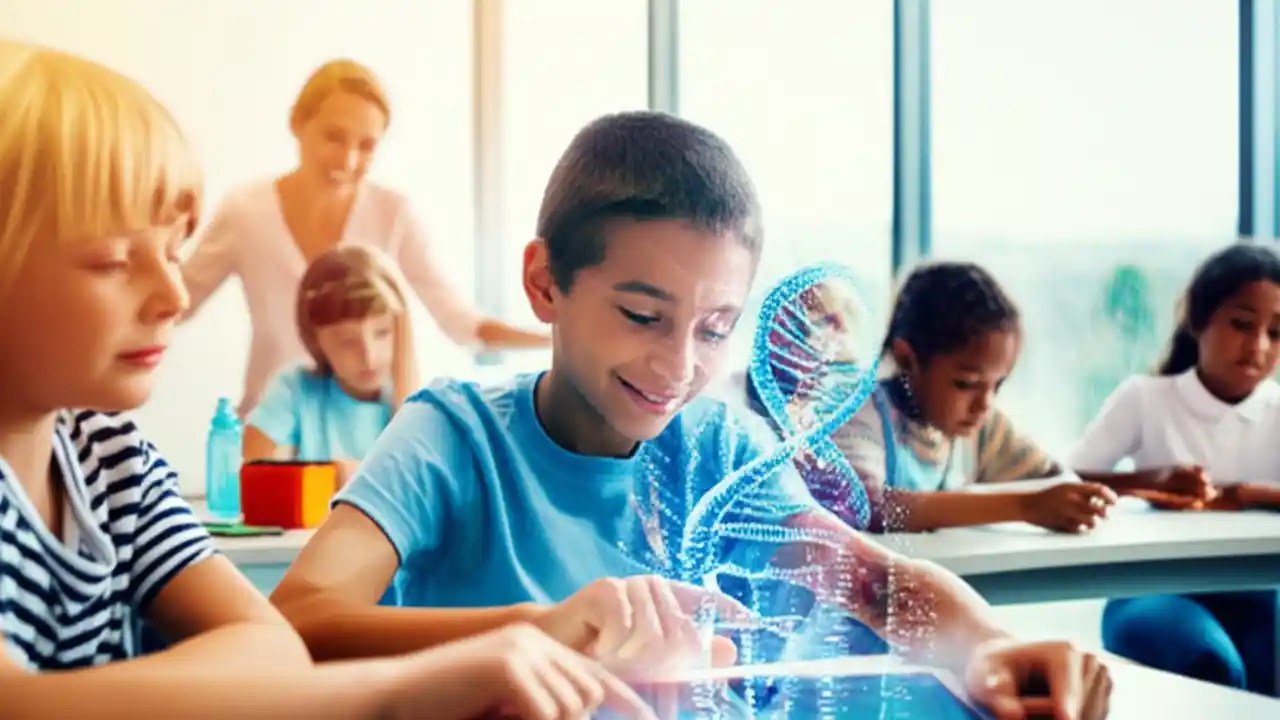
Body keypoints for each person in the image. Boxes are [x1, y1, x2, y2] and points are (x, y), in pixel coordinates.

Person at [273, 111, 1113, 719]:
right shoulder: (451, 437)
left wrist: (990, 644)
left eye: (715, 328)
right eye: (642, 316)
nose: (679, 367)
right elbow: (298, 623)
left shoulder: (718, 445)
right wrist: (542, 629)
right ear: (544, 284)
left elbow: (867, 580)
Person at [0, 39, 655, 720]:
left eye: (172, 251)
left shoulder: (114, 460)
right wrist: (402, 687)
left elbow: (273, 649)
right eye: (111, 261)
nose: (166, 293)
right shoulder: (254, 228)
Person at [181, 58, 547, 416]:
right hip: (273, 433)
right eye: (334, 137)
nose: (348, 160)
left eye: (367, 145)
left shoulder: (394, 214)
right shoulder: (246, 212)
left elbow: (464, 324)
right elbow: (176, 301)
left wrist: (556, 335)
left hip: (366, 436)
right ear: (297, 124)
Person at [1069, 243, 1280, 694]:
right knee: (1206, 660)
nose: (1259, 346)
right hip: (1154, 589)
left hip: (1264, 592)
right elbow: (1068, 480)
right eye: (1242, 324)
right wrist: (1150, 482)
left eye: (1277, 332)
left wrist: (1243, 494)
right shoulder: (1145, 398)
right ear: (1198, 320)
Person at [823, 261, 1116, 533]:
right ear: (907, 360)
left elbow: (1054, 479)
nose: (984, 404)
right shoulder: (861, 412)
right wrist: (1025, 507)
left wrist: (1072, 500)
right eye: (966, 383)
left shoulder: (983, 428)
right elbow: (869, 506)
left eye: (997, 385)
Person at [244, 246, 413, 487]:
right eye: (346, 342)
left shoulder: (414, 402)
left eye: (383, 332)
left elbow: (412, 478)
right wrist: (328, 476)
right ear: (316, 341)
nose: (369, 355)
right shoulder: (296, 388)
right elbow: (250, 467)